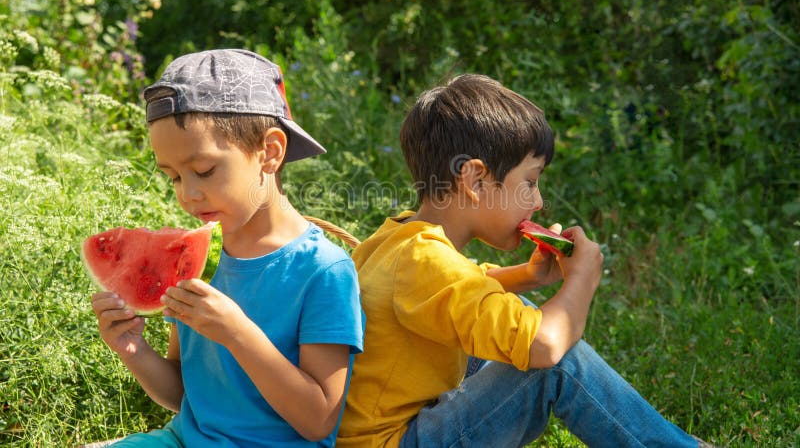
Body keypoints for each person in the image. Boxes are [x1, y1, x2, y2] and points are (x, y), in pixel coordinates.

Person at [336, 74, 701, 447]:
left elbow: (462, 287)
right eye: (529, 182)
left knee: (520, 311)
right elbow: (545, 347)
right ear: (475, 180)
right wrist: (582, 281)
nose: (538, 201)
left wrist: (528, 275)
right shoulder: (425, 260)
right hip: (395, 442)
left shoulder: (397, 239)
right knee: (551, 362)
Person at [90, 49, 364, 447]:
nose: (189, 194)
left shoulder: (324, 270)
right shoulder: (199, 259)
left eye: (203, 171)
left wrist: (237, 333)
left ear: (269, 152)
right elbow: (184, 395)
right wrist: (132, 348)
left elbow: (320, 419)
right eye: (174, 178)